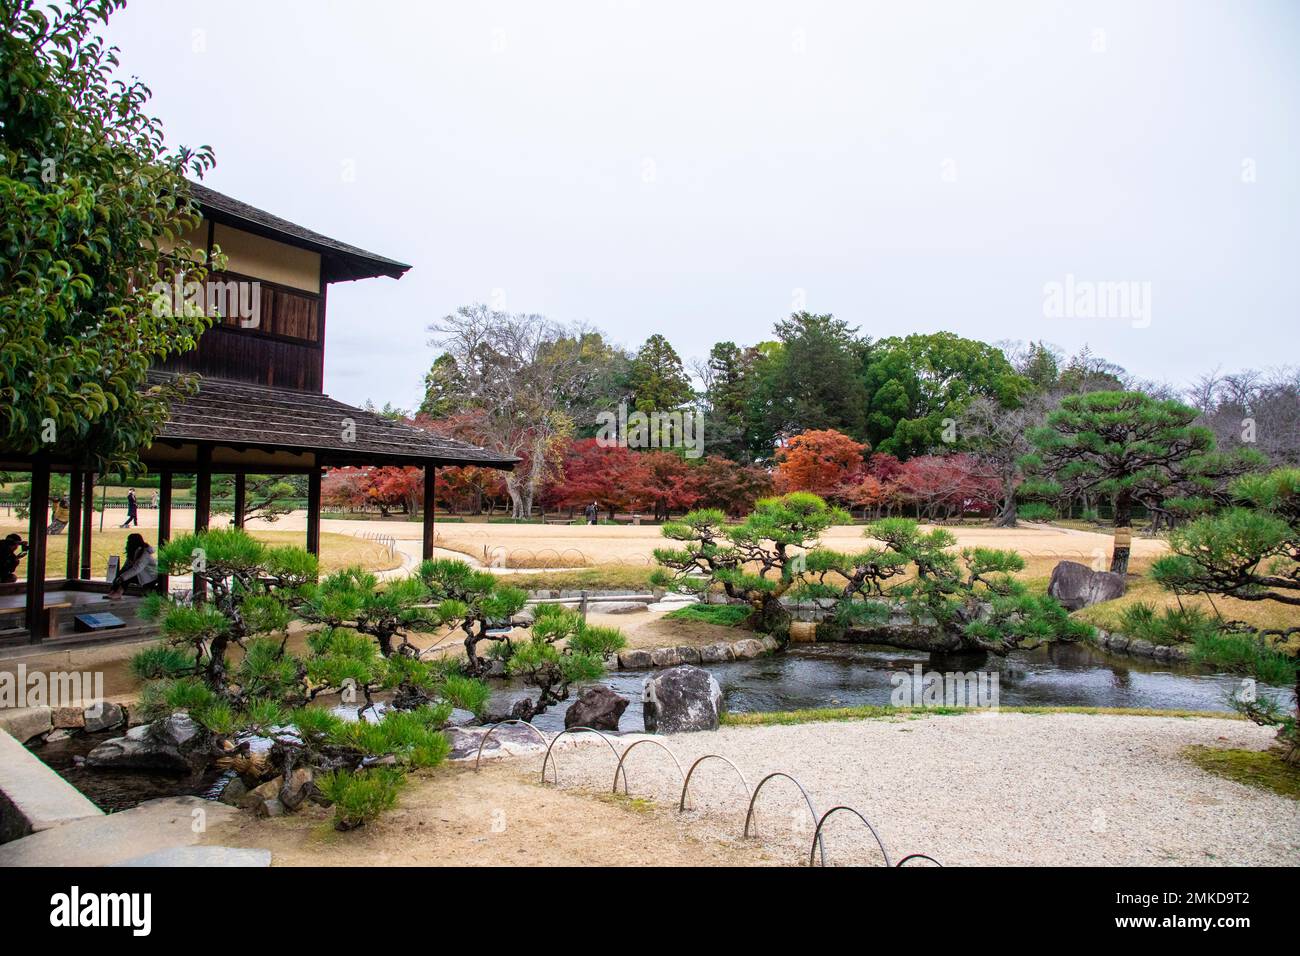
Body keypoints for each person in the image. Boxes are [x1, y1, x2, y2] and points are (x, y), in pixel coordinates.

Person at [108, 533, 159, 599]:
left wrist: (122, 577)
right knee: (123, 573)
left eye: (129, 541)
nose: (127, 543)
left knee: (126, 577)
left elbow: (137, 569)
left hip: (149, 578)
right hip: (141, 575)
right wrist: (118, 577)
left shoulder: (144, 553)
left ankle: (119, 593)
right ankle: (113, 591)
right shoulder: (133, 552)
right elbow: (126, 567)